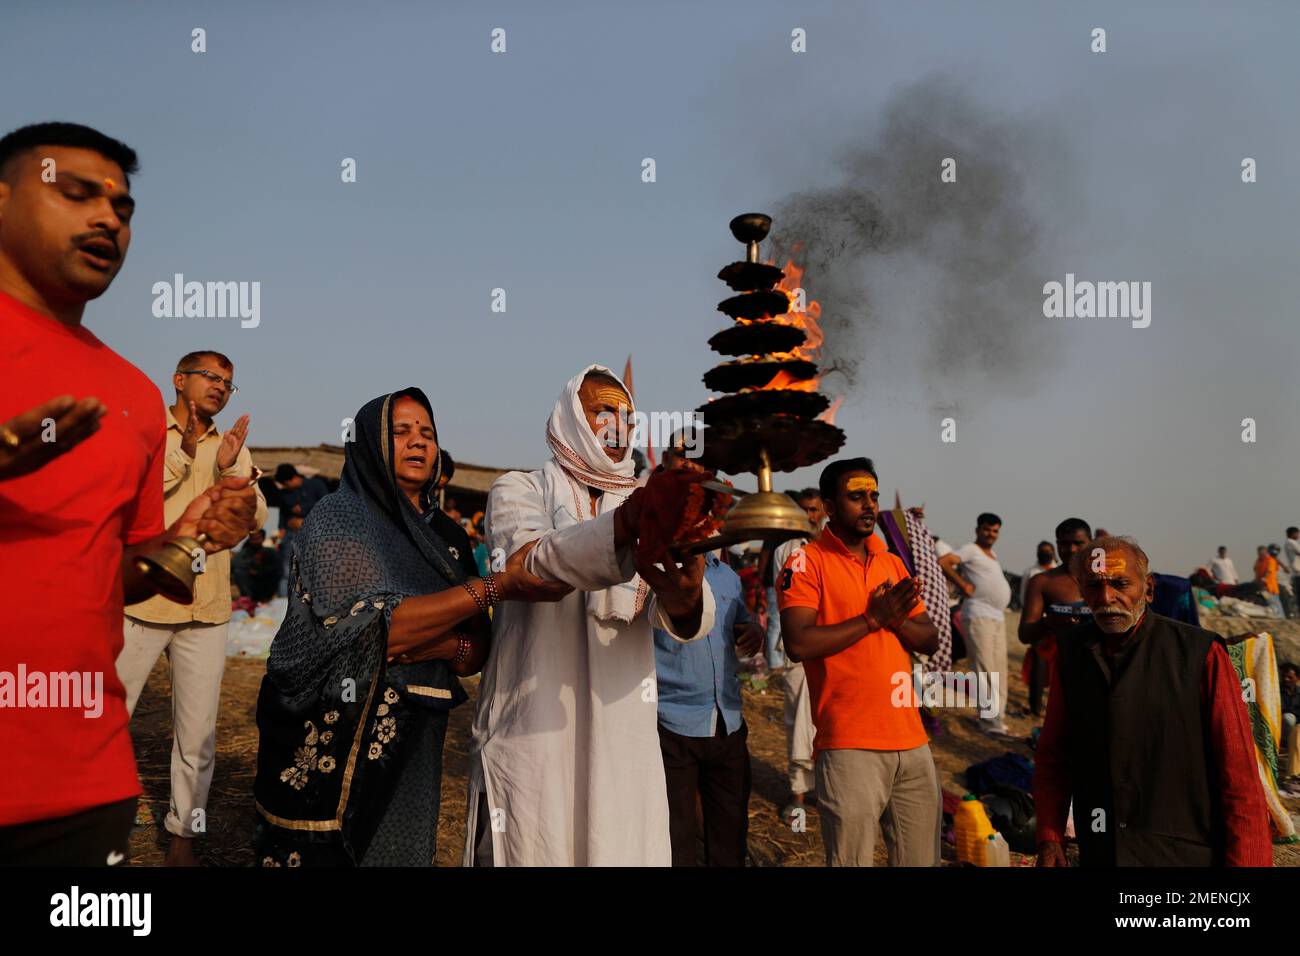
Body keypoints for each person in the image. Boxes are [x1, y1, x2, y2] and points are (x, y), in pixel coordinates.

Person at [0, 122, 256, 865]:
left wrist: (191, 536)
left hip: (86, 782)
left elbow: (111, 572)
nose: (108, 216)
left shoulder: (131, 396)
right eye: (76, 192)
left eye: (124, 205)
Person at [252, 389, 570, 866]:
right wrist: (496, 586)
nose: (418, 443)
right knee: (322, 852)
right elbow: (378, 632)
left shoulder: (449, 537)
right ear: (369, 444)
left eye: (427, 433)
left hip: (416, 731)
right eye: (400, 432)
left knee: (397, 850)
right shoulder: (341, 517)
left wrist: (444, 641)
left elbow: (474, 651)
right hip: (332, 726)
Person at [465, 365, 714, 867]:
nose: (619, 427)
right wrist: (628, 522)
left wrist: (685, 596)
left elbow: (685, 613)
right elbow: (532, 565)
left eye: (629, 417)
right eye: (605, 413)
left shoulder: (647, 501)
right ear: (573, 416)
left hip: (623, 734)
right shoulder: (520, 489)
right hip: (531, 730)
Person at [1034, 535, 1272, 866]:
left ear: (1148, 589)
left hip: (1184, 856)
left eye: (1119, 583)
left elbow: (1239, 778)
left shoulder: (1200, 654)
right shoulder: (1071, 653)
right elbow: (1053, 757)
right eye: (1093, 586)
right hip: (1104, 850)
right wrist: (1050, 837)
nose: (1106, 598)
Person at [116, 349, 267, 866]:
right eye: (211, 377)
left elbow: (255, 517)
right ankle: (95, 819)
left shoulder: (232, 446)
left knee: (197, 733)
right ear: (179, 380)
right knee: (110, 717)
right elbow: (136, 495)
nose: (221, 387)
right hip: (141, 600)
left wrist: (230, 474)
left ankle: (184, 838)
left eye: (229, 381)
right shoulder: (145, 430)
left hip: (206, 608)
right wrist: (182, 452)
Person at [779, 457, 941, 866]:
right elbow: (798, 643)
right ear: (830, 506)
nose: (869, 505)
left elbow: (930, 637)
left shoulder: (890, 561)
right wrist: (871, 620)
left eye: (873, 495)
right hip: (849, 741)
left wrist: (893, 618)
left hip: (912, 740)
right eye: (856, 497)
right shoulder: (806, 561)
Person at [652, 438, 762, 866]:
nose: (705, 513)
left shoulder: (728, 577)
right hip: (671, 723)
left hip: (728, 723)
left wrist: (749, 628)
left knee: (729, 837)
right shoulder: (654, 571)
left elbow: (741, 623)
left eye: (711, 504)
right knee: (677, 840)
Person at [774, 489, 826, 823]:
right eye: (804, 509)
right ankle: (797, 794)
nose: (810, 515)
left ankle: (824, 789)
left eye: (815, 509)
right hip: (797, 648)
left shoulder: (834, 551)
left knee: (826, 720)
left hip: (831, 648)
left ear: (825, 512)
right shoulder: (786, 551)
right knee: (798, 720)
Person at [939, 512, 1012, 736]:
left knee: (999, 669)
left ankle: (996, 718)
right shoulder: (971, 549)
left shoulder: (993, 555)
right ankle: (988, 721)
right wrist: (962, 584)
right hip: (978, 614)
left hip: (997, 617)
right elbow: (944, 561)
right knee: (984, 668)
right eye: (987, 529)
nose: (991, 534)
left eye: (995, 531)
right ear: (978, 530)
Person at [1018, 518, 1092, 718]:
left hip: (1101, 670)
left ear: (1090, 544)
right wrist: (1050, 621)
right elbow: (1025, 633)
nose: (1072, 549)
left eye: (1078, 543)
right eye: (1065, 543)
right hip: (1063, 669)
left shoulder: (1103, 580)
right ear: (1057, 545)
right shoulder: (1043, 581)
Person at [273, 463, 329, 597]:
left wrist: (304, 511)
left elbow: (327, 505)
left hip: (315, 534)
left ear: (290, 480)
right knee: (287, 570)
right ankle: (284, 601)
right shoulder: (284, 494)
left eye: (286, 484)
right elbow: (283, 512)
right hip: (292, 535)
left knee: (315, 569)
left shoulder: (316, 484)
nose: (285, 488)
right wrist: (281, 528)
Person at [233, 528, 282, 604]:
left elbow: (277, 566)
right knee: (238, 572)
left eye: (258, 538)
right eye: (253, 539)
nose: (255, 541)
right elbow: (236, 564)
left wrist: (261, 571)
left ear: (263, 539)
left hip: (265, 582)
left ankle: (267, 599)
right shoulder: (244, 553)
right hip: (250, 583)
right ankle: (248, 598)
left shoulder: (270, 552)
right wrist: (251, 565)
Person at [1020, 541, 1058, 607]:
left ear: (1053, 553)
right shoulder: (1029, 572)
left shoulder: (1059, 572)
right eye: (1041, 551)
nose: (1044, 553)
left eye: (1047, 551)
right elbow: (1023, 594)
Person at [1253, 545, 1284, 618]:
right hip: (1262, 588)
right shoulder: (1258, 561)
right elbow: (1256, 571)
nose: (1260, 554)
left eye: (1261, 553)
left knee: (1275, 605)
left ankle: (1281, 619)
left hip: (1270, 588)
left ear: (1266, 552)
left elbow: (1269, 572)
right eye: (1259, 553)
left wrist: (1264, 578)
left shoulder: (1271, 560)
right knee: (1269, 606)